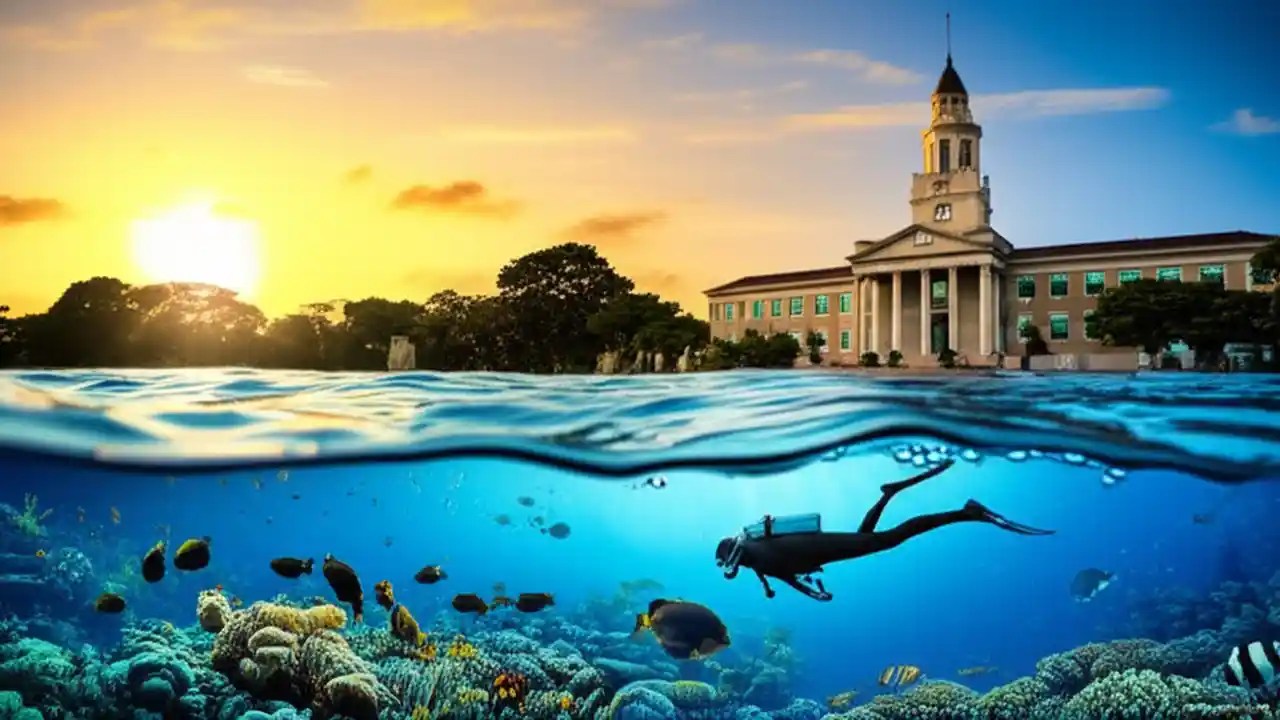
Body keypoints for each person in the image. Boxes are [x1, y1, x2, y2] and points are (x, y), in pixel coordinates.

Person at [713, 458, 1054, 601]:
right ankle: (889, 493)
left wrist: (814, 594)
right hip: (823, 547)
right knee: (869, 538)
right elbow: (788, 577)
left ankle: (968, 512)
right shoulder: (756, 557)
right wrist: (815, 593)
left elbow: (783, 575)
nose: (731, 566)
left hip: (823, 547)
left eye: (727, 561)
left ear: (731, 555)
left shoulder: (753, 556)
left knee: (888, 540)